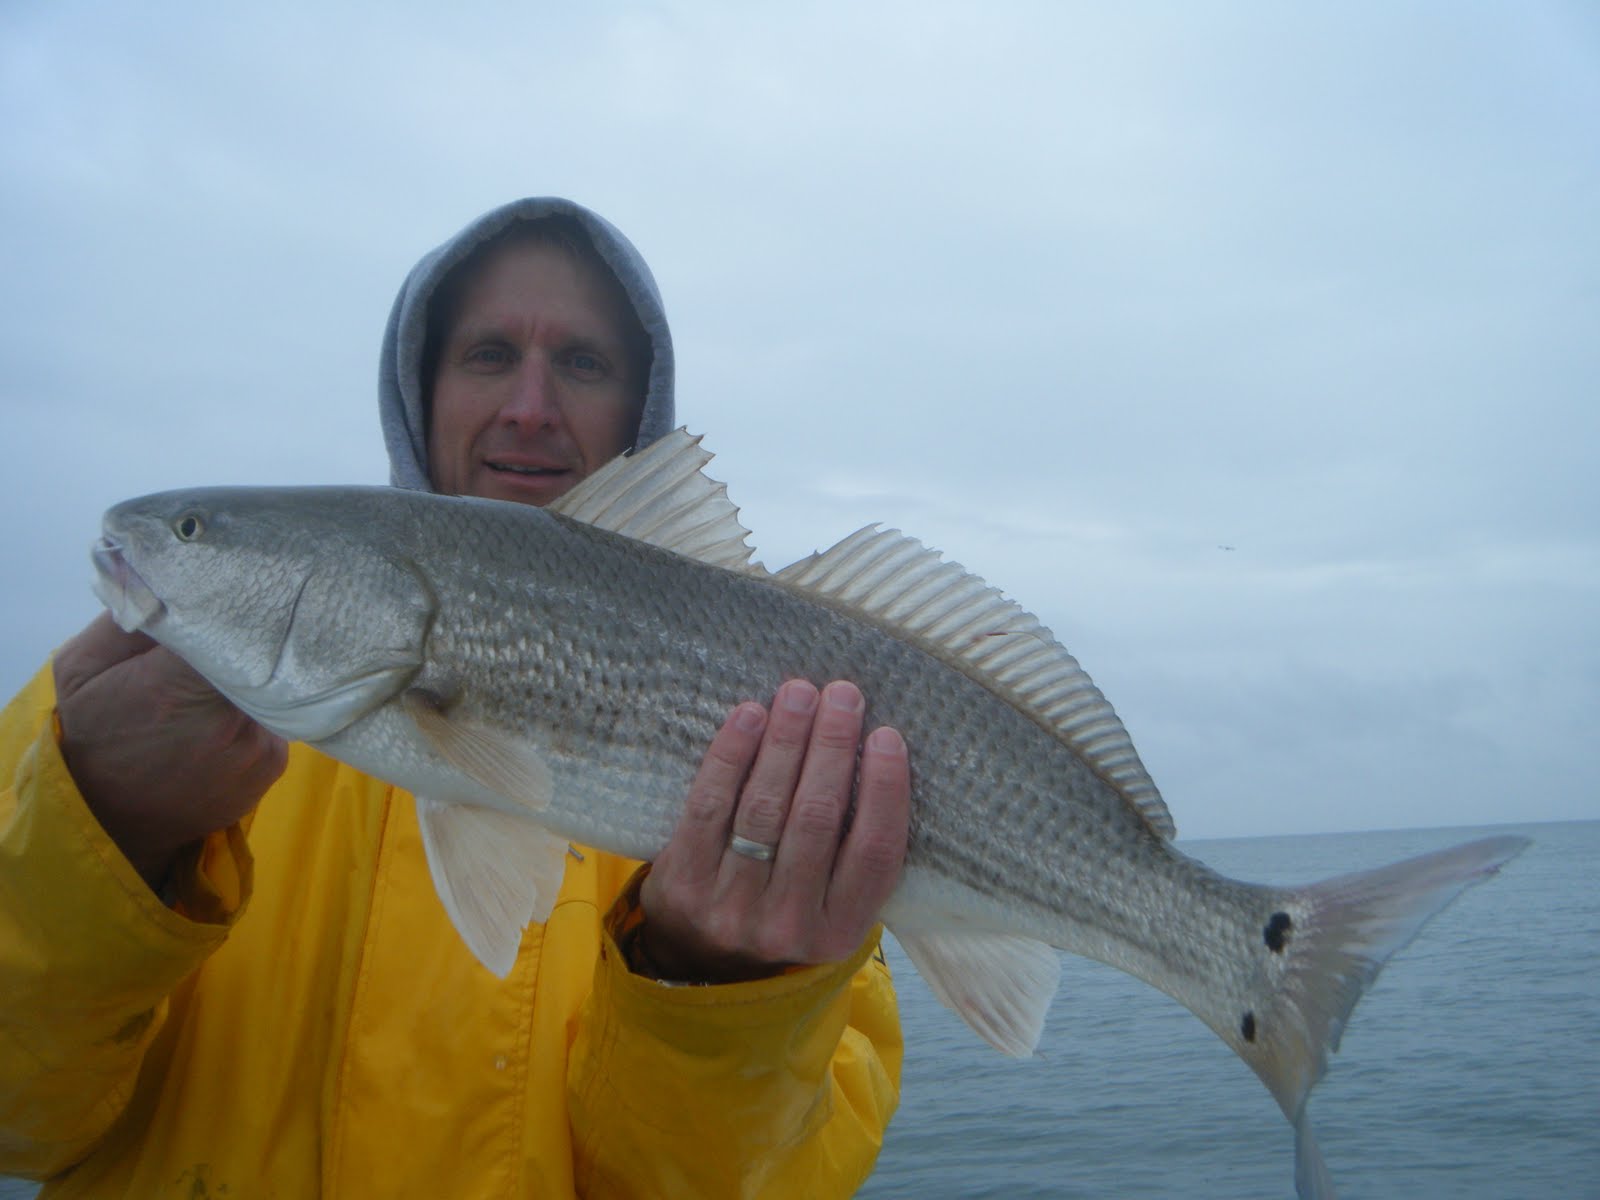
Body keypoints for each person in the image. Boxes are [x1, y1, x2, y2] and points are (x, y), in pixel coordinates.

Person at [0, 197, 910, 1197]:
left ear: (641, 410)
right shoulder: (97, 718)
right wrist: (104, 834)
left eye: (583, 363)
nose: (529, 404)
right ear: (418, 391)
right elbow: (19, 1128)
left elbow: (779, 1179)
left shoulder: (811, 743)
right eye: (485, 354)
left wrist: (722, 984)